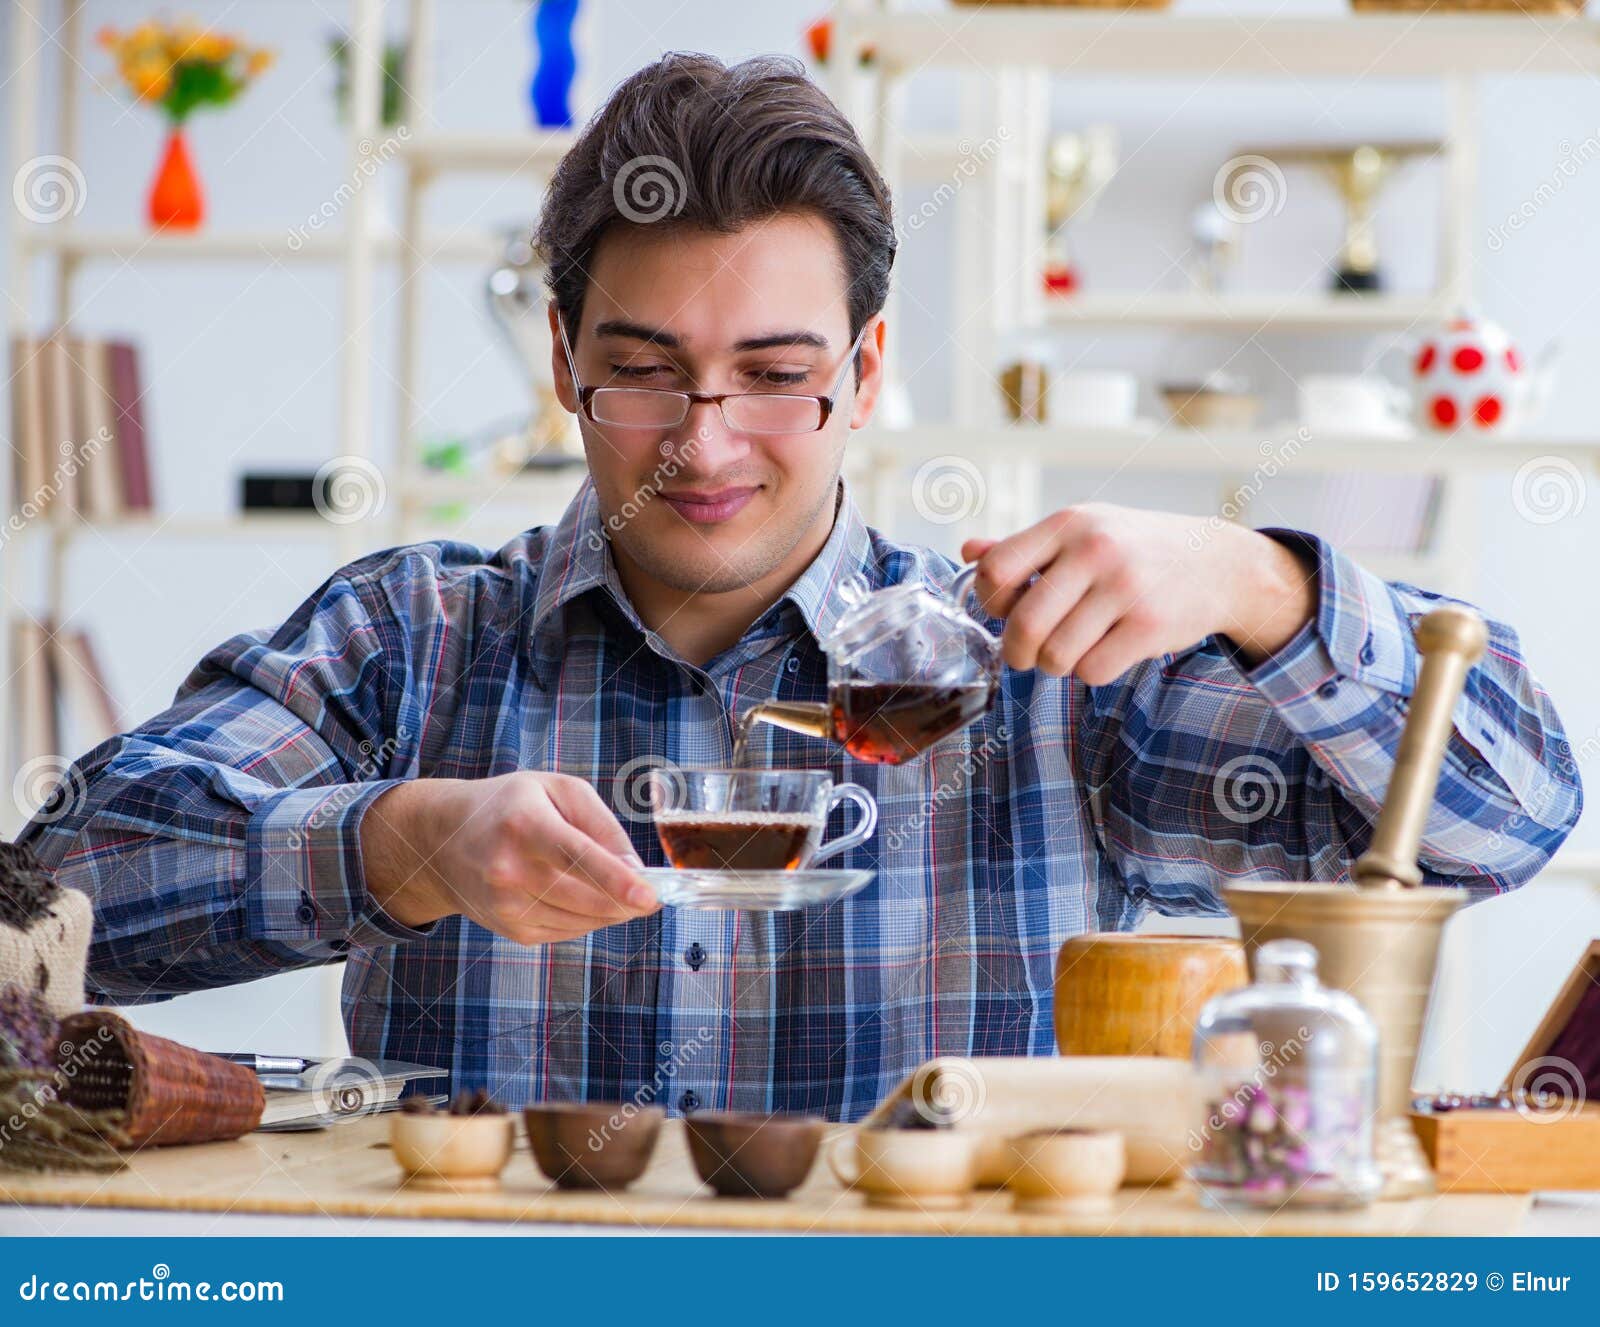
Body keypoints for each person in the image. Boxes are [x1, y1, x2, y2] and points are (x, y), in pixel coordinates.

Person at [19, 54, 1580, 1120]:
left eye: (776, 376)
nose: (708, 444)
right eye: (643, 372)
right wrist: (400, 840)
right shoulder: (415, 640)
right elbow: (65, 892)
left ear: (870, 367)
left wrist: (1263, 581)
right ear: (562, 360)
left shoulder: (1041, 660)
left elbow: (1498, 826)